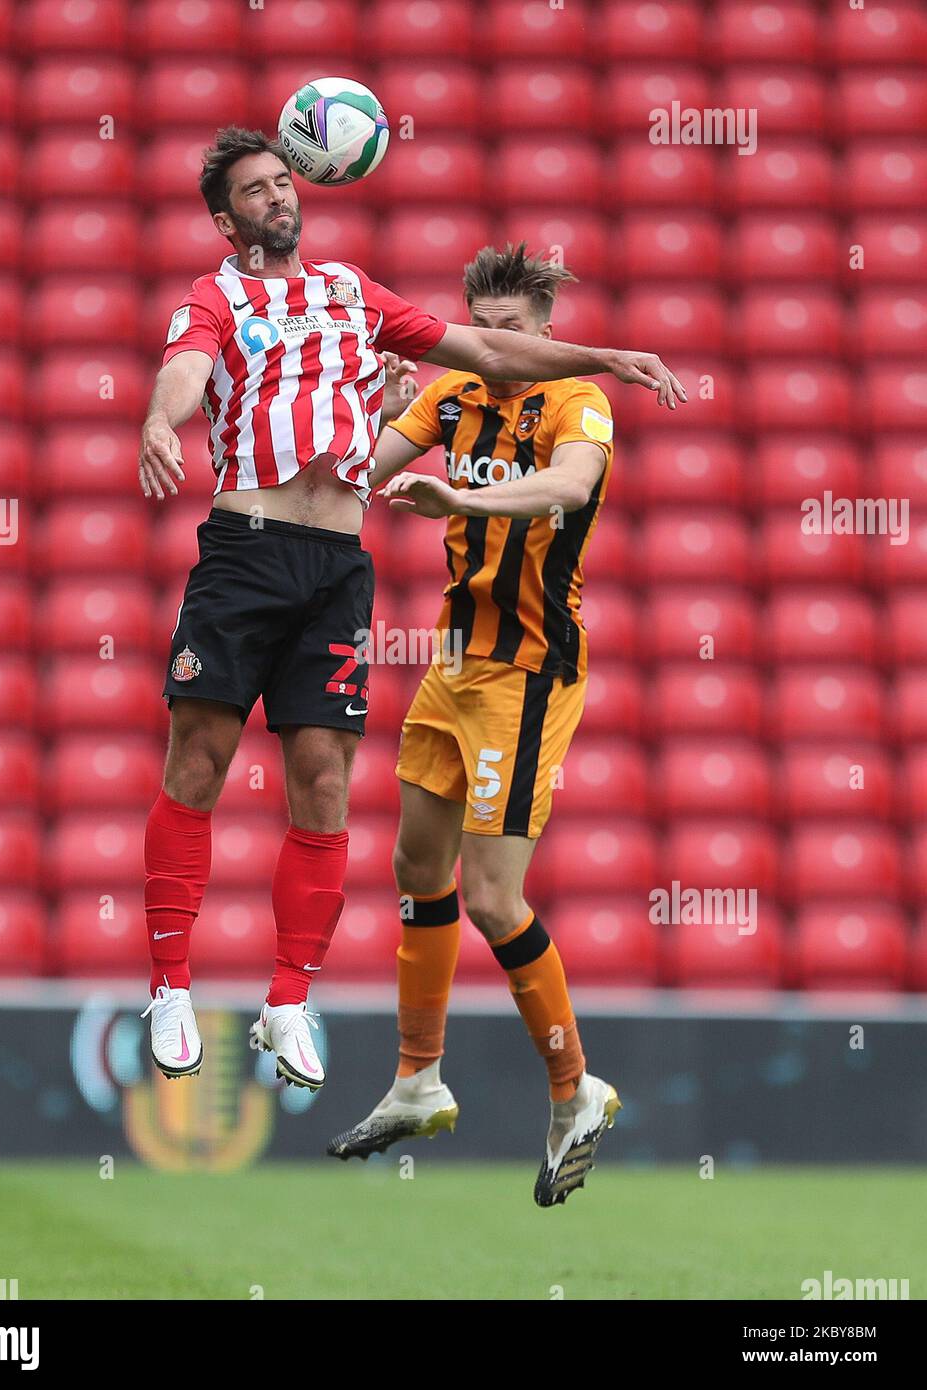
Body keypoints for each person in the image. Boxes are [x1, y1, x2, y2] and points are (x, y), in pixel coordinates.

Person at [136, 126, 686, 1097]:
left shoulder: (352, 293)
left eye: (280, 181)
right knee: (198, 760)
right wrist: (158, 416)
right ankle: (172, 983)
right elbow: (187, 366)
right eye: (254, 190)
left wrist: (603, 356)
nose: (275, 196)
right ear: (227, 221)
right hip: (245, 550)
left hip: (336, 567)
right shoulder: (215, 296)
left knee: (324, 778)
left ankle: (289, 996)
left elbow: (479, 344)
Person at [326, 243, 629, 1206]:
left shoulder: (578, 402)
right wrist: (366, 402)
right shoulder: (452, 394)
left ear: (544, 330)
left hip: (529, 674)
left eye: (511, 333)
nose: (494, 347)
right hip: (452, 667)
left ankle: (574, 1089)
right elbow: (357, 466)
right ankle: (418, 1079)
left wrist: (456, 496)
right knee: (417, 868)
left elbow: (569, 488)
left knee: (495, 899)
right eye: (481, 330)